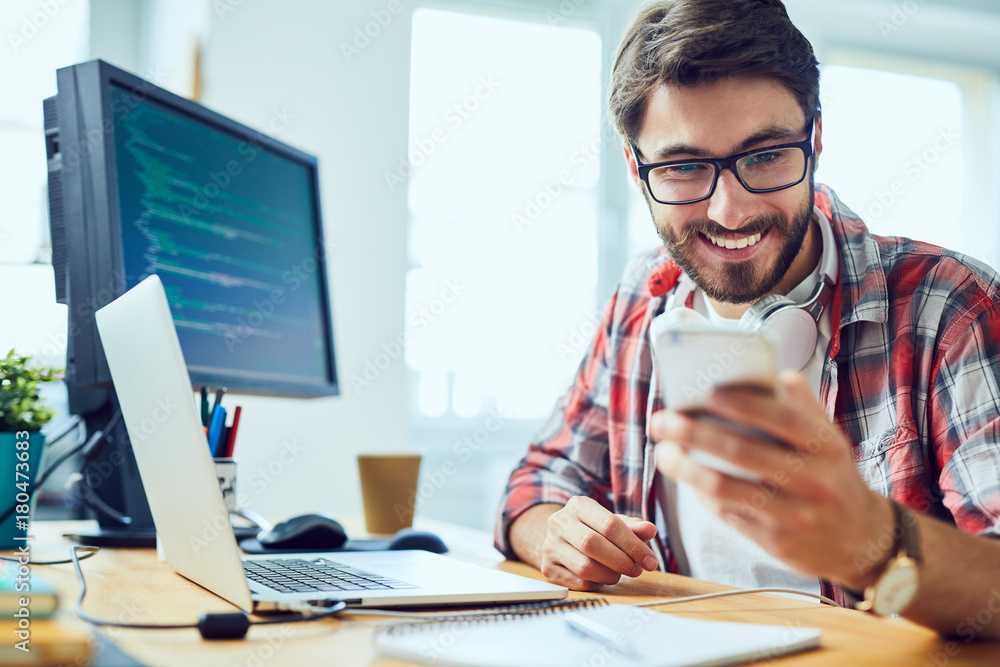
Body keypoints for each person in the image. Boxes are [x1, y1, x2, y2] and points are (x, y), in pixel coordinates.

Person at [495, 0, 1000, 637]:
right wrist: (555, 533)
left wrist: (874, 544)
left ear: (815, 138)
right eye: (683, 167)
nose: (730, 211)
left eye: (764, 157)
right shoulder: (643, 295)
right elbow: (536, 481)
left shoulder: (948, 306)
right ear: (636, 168)